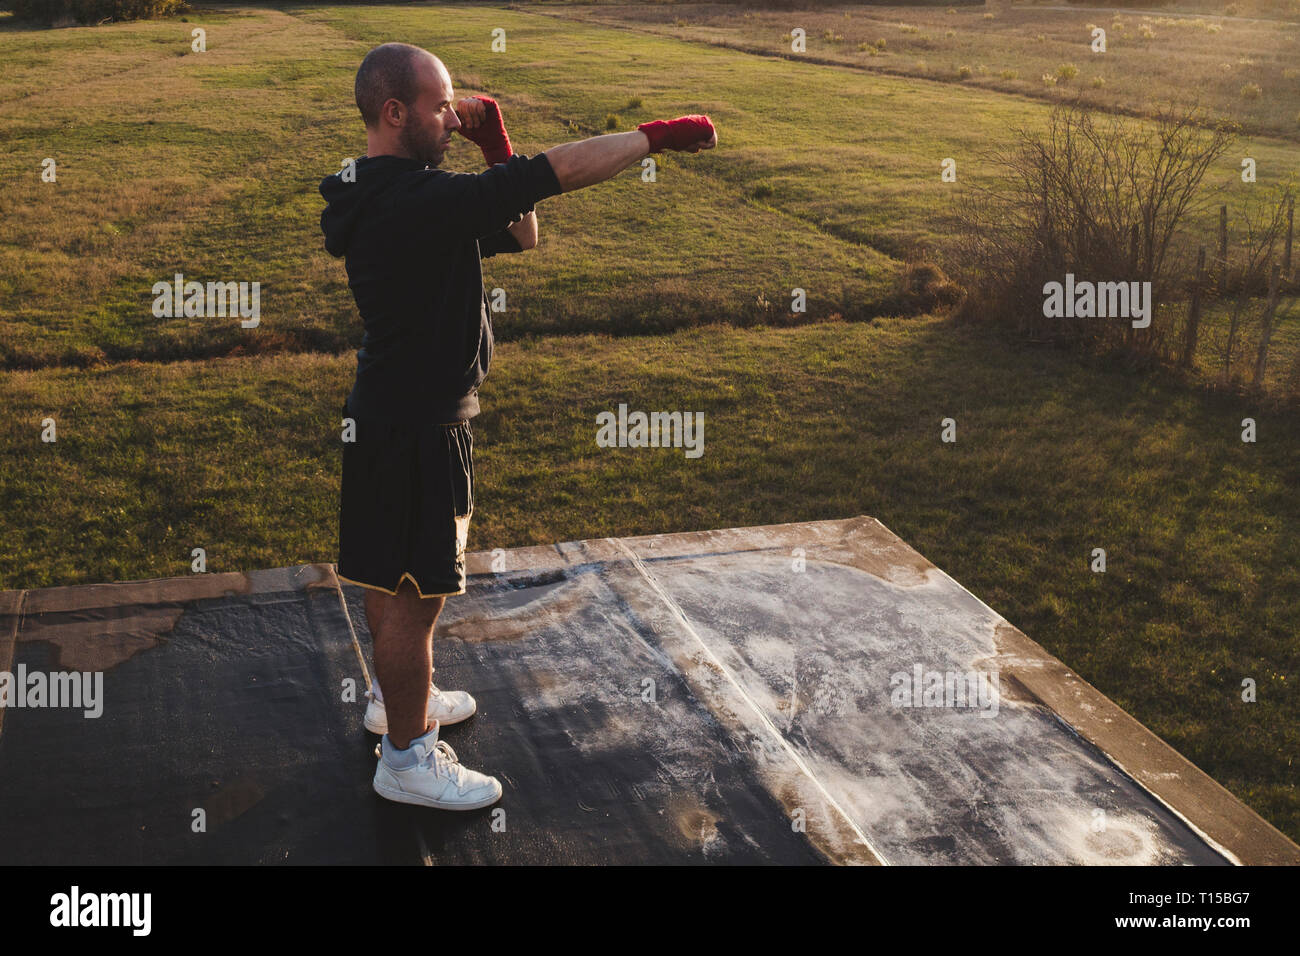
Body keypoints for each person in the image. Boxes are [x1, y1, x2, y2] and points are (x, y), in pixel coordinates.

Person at [319, 42, 717, 810]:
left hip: (394, 419)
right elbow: (555, 173)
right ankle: (405, 757)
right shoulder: (417, 202)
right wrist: (654, 138)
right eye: (441, 106)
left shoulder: (406, 194)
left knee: (393, 580)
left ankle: (390, 701)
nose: (452, 115)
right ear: (395, 113)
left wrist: (492, 146)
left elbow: (523, 234)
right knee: (415, 594)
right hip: (414, 430)